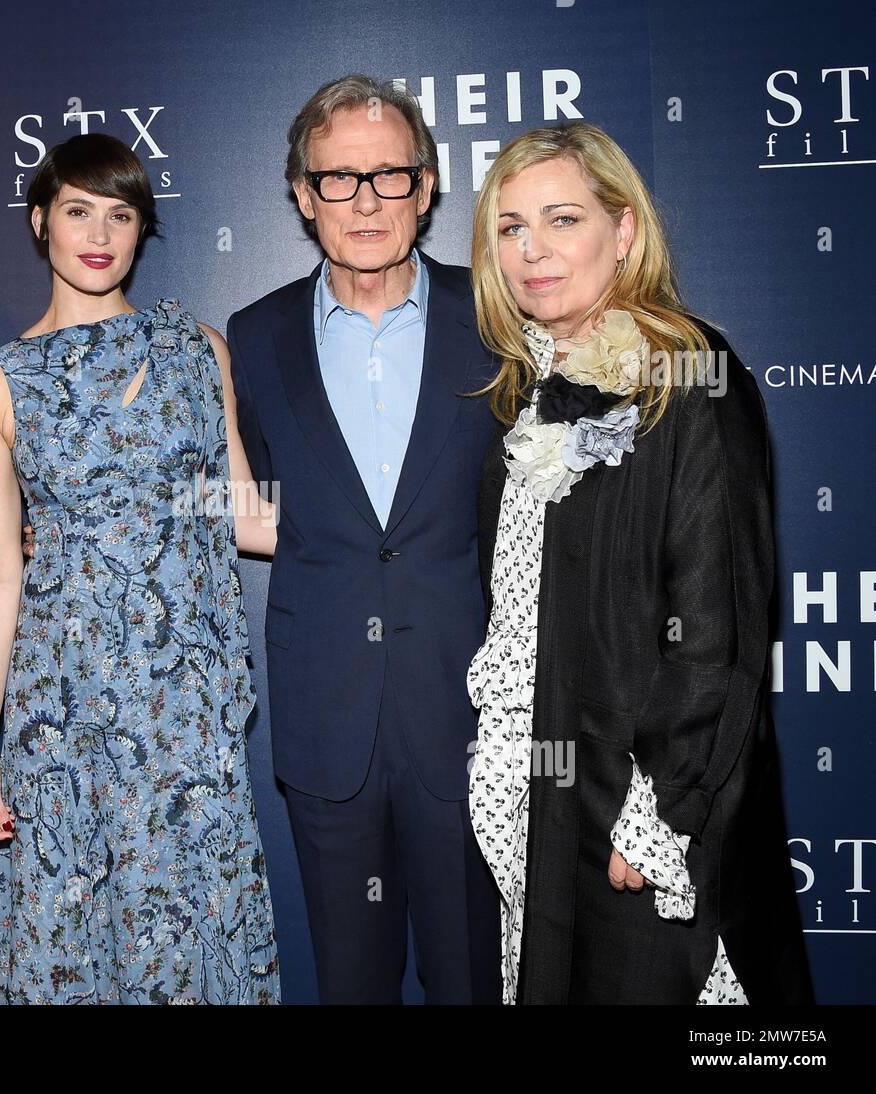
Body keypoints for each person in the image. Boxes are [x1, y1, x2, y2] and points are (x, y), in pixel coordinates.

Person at [466, 121, 813, 1004]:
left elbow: (716, 627)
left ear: (624, 232)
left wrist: (662, 812)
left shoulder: (693, 375)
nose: (532, 251)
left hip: (639, 810)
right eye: (510, 228)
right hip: (550, 797)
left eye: (561, 219)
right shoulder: (525, 395)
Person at [0, 132, 281, 1004]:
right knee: (70, 941)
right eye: (77, 211)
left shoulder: (194, 349)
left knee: (193, 929)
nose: (99, 233)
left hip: (184, 705)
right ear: (40, 223)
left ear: (142, 231)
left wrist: (396, 523)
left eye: (122, 214)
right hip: (58, 712)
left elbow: (241, 514)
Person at [226, 74, 502, 1004]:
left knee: (474, 977)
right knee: (351, 982)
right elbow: (253, 502)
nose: (366, 200)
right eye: (338, 179)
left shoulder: (502, 317)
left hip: (468, 714)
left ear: (427, 187)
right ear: (303, 196)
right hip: (325, 719)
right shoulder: (255, 336)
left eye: (390, 176)